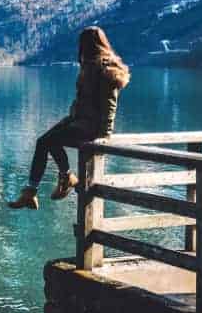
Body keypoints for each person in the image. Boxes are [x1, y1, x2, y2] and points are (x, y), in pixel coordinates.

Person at [8, 26, 131, 210]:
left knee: (47, 141)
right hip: (77, 120)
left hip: (90, 126)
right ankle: (41, 187)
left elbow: (110, 104)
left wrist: (104, 135)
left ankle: (49, 184)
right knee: (44, 141)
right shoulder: (90, 65)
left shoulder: (106, 69)